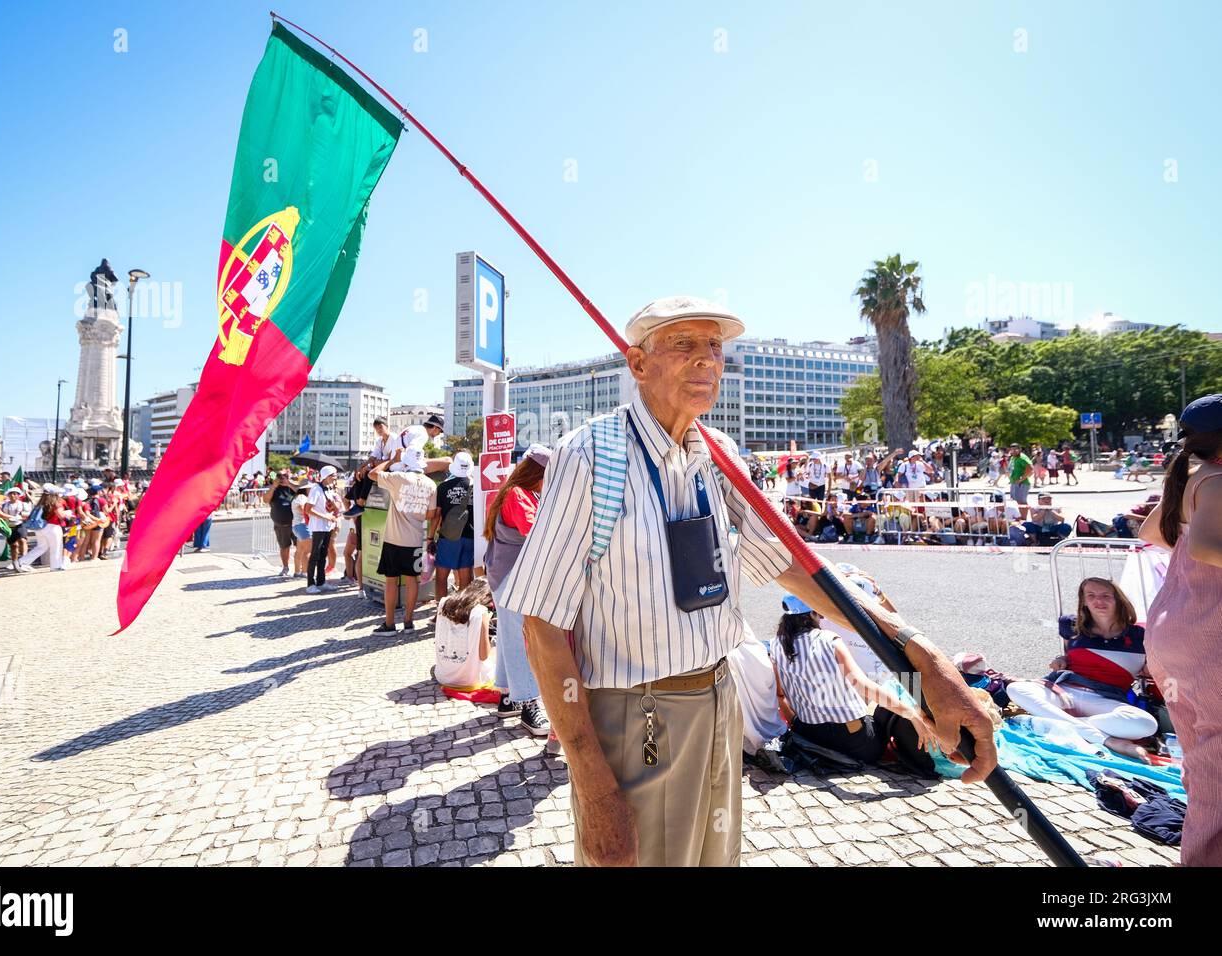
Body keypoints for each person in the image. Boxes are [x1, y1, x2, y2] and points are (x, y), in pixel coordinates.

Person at [495, 295, 996, 867]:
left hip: (718, 701)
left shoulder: (720, 452)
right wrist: (594, 786)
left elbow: (794, 562)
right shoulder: (589, 455)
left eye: (714, 346)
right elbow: (541, 626)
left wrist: (922, 658)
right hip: (638, 718)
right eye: (684, 344)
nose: (706, 359)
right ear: (638, 364)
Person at [1138, 393, 1222, 866]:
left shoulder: (1191, 476)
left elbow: (1152, 533)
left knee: (1203, 759)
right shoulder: (1218, 480)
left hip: (1175, 633)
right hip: (1209, 636)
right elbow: (1210, 548)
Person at [772, 593, 936, 765]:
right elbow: (861, 685)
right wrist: (910, 714)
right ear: (813, 612)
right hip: (855, 742)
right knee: (891, 693)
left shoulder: (776, 644)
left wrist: (795, 724)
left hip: (811, 737)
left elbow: (780, 695)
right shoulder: (829, 640)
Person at [1006, 578, 1159, 759]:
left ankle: (1059, 723)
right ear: (1084, 601)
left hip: (1105, 699)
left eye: (1105, 596)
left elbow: (1154, 668)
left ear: (1118, 600)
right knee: (1016, 688)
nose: (1098, 601)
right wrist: (1061, 659)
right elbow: (1067, 654)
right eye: (1091, 596)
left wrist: (1154, 666)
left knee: (1147, 725)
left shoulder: (1139, 635)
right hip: (1065, 691)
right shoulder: (1071, 625)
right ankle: (1107, 740)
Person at [482, 445, 553, 738]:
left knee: (510, 635)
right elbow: (534, 531)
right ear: (539, 474)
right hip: (512, 576)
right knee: (521, 638)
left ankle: (508, 696)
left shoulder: (514, 492)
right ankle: (528, 702)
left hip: (505, 573)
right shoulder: (518, 495)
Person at [371, 447, 438, 632]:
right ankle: (409, 622)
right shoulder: (431, 484)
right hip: (415, 539)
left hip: (393, 539)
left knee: (391, 581)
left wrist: (392, 460)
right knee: (412, 581)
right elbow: (431, 514)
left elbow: (372, 474)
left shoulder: (399, 478)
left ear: (406, 462)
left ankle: (390, 624)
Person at [433, 577, 496, 692]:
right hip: (471, 681)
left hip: (443, 677)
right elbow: (484, 655)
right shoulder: (480, 612)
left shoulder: (443, 603)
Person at [428, 451, 476, 599]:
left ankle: (440, 613)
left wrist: (430, 537)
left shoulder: (443, 487)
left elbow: (436, 515)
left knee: (441, 577)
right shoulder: (475, 486)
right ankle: (461, 614)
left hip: (448, 537)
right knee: (465, 578)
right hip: (470, 536)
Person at [302, 465, 342, 593]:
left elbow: (329, 506)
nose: (335, 478)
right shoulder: (316, 489)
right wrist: (325, 516)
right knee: (315, 554)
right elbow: (308, 509)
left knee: (323, 554)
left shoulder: (329, 489)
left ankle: (321, 581)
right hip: (319, 526)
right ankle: (310, 584)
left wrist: (333, 512)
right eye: (333, 476)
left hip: (327, 526)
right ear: (327, 476)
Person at [21, 488, 72, 571]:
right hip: (53, 527)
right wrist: (67, 514)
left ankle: (21, 562)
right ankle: (55, 566)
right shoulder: (56, 503)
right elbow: (60, 515)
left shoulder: (41, 503)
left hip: (41, 527)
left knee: (41, 547)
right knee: (56, 547)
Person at [264, 468, 300, 577]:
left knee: (301, 546)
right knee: (284, 547)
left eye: (285, 476)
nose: (282, 478)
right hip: (281, 524)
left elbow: (303, 494)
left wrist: (289, 484)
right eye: (280, 476)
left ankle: (299, 569)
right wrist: (274, 486)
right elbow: (265, 500)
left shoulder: (292, 487)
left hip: (296, 523)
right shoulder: (274, 489)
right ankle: (285, 567)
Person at [2, 487, 31, 571]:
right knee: (14, 545)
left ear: (18, 495)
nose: (13, 495)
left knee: (22, 540)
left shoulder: (23, 504)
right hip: (9, 526)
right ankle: (15, 563)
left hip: (20, 524)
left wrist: (21, 516)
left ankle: (24, 559)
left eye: (15, 494)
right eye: (11, 494)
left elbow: (28, 514)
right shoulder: (4, 505)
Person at [289, 479, 311, 577]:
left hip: (297, 525)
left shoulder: (297, 497)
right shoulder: (302, 497)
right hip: (302, 525)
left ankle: (297, 571)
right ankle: (305, 572)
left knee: (300, 550)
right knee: (308, 550)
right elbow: (303, 509)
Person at [1007, 443, 1033, 519]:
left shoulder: (1022, 457)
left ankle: (1023, 519)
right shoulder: (1013, 457)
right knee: (1015, 502)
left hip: (1021, 483)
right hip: (1013, 483)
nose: (1014, 451)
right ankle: (1018, 518)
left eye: (1016, 449)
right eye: (1012, 449)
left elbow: (1030, 468)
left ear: (1020, 449)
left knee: (1021, 502)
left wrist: (1021, 479)